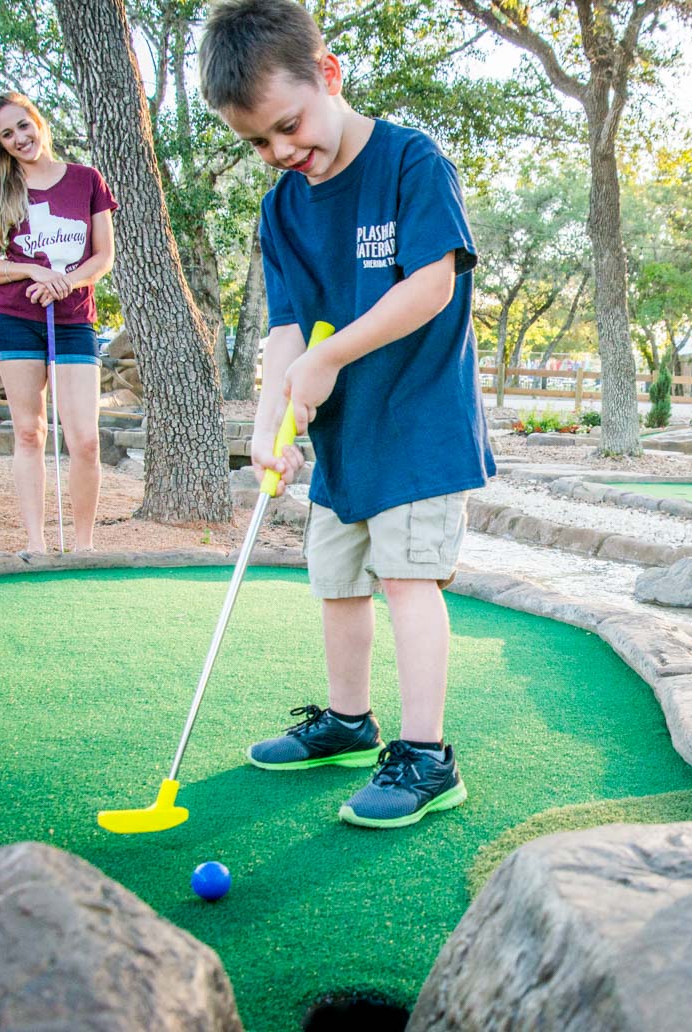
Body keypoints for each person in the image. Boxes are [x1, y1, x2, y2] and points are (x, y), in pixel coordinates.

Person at [199, 0, 494, 829]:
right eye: (258, 143)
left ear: (328, 75)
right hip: (342, 437)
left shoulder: (409, 162)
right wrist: (268, 424)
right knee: (336, 580)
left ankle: (427, 756)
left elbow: (431, 286)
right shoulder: (282, 209)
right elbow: (287, 330)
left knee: (407, 579)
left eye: (288, 126)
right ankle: (348, 722)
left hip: (418, 424)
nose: (281, 152)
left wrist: (328, 360)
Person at [0, 90, 117, 553]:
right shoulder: (1, 190)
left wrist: (65, 283)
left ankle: (84, 549)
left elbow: (103, 257)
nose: (19, 139)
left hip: (73, 320)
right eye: (6, 135)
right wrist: (33, 270)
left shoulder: (87, 180)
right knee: (30, 433)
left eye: (22, 126)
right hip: (16, 319)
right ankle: (36, 546)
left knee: (85, 440)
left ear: (38, 122)